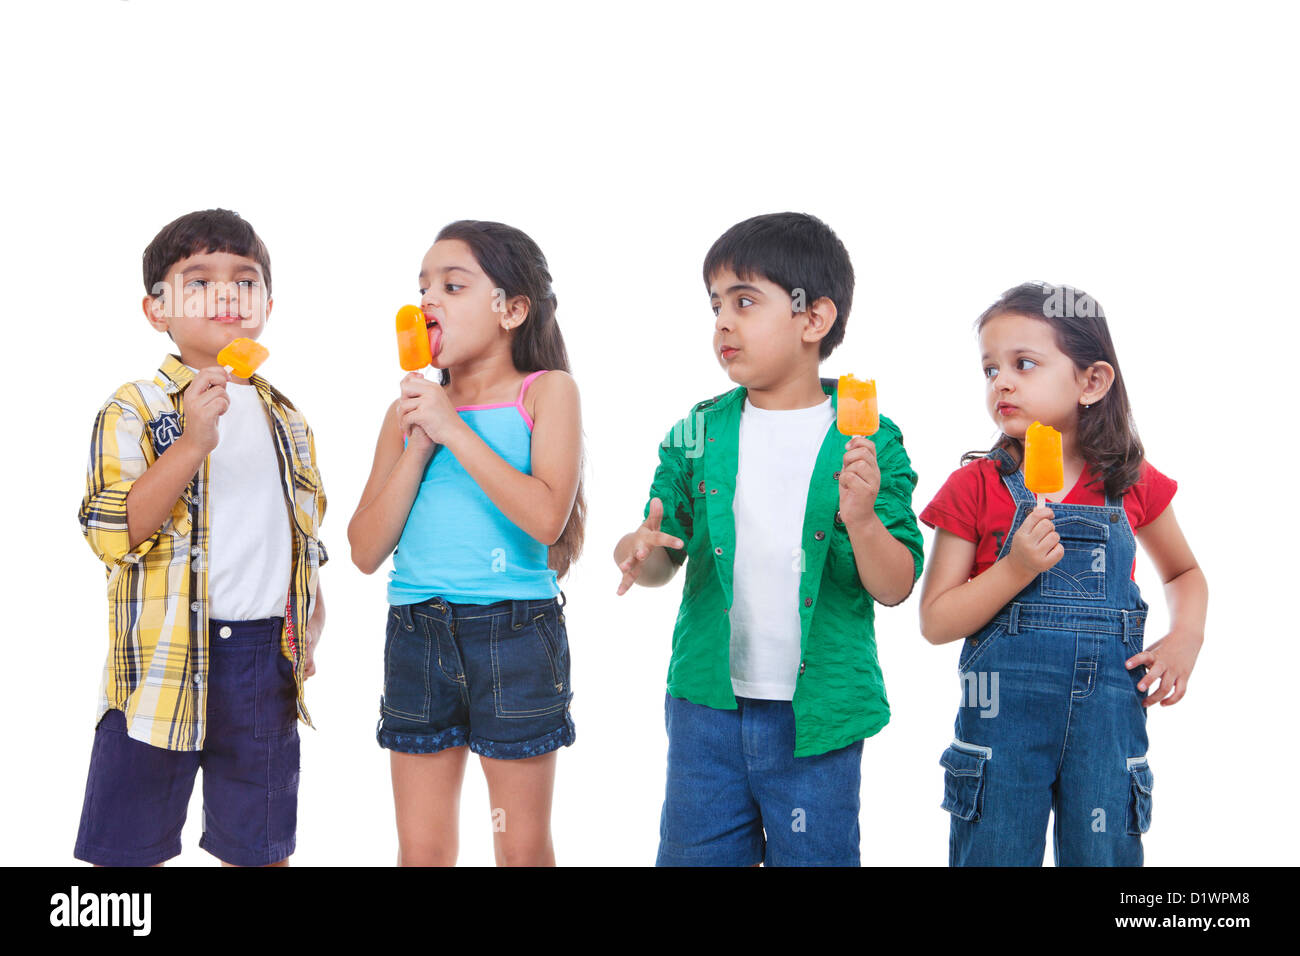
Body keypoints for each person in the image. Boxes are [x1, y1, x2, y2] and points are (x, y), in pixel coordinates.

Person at [614, 212, 923, 866]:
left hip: (818, 722)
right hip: (707, 714)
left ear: (814, 319)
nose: (723, 322)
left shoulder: (873, 438)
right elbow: (662, 550)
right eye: (715, 305)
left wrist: (863, 518)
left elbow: (894, 586)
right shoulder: (695, 431)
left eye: (745, 301)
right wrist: (640, 553)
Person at [919, 281, 1207, 866]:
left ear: (1091, 382)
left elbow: (1184, 572)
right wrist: (1014, 569)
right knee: (995, 852)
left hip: (1107, 717)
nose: (1001, 381)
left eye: (1024, 363)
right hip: (1001, 720)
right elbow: (936, 620)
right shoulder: (973, 487)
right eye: (990, 368)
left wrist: (1186, 638)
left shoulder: (1130, 480)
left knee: (1103, 855)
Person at [75, 209, 327, 867]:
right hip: (161, 658)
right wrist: (190, 444)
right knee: (127, 847)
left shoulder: (288, 421)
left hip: (262, 656)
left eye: (245, 282)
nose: (226, 294)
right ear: (156, 309)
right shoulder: (134, 407)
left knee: (262, 842)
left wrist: (308, 625)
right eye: (198, 280)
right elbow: (113, 533)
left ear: (267, 305)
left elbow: (301, 538)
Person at [349, 220, 584, 867]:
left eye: (452, 285)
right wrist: (419, 441)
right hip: (416, 632)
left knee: (521, 845)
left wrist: (452, 429)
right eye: (422, 286)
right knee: (421, 851)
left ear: (511, 309)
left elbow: (544, 518)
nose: (428, 301)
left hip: (513, 635)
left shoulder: (547, 393)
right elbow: (365, 550)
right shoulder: (407, 417)